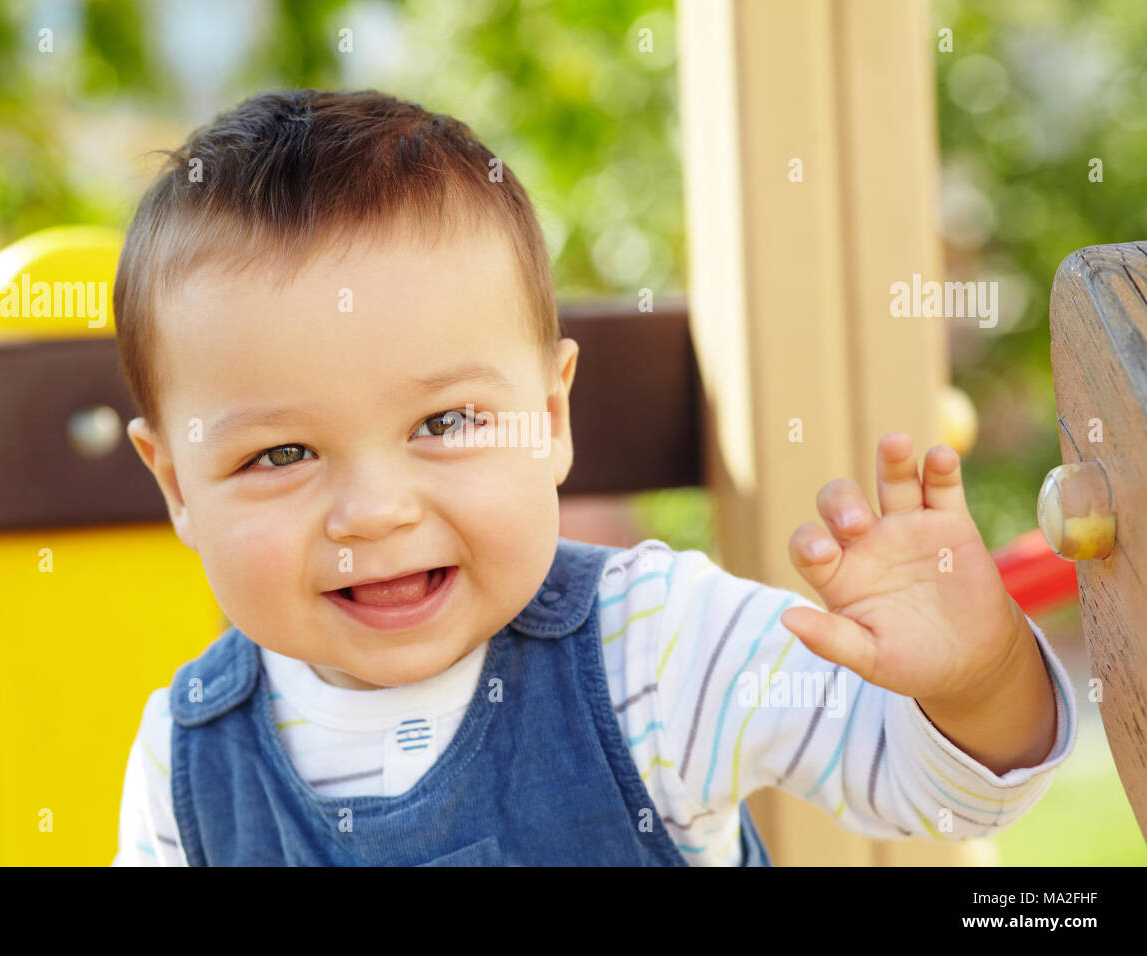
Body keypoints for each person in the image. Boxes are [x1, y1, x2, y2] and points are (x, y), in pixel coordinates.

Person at [110, 89, 1075, 865]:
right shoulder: (185, 761)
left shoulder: (655, 647)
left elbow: (933, 790)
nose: (375, 511)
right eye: (281, 454)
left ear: (553, 415)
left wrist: (981, 675)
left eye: (444, 422)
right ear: (179, 487)